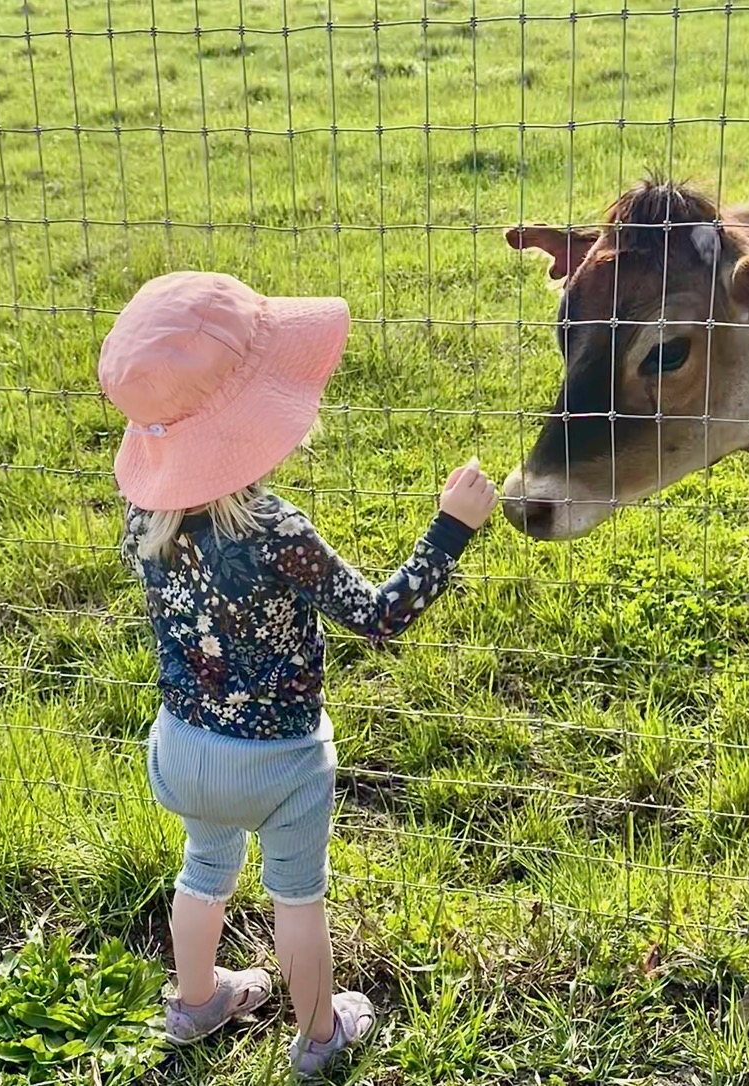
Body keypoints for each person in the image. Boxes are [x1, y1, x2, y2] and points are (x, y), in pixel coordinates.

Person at [99, 271, 499, 1076]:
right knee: (296, 897)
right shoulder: (272, 529)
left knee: (202, 870)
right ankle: (319, 1036)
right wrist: (449, 532)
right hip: (279, 760)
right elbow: (377, 616)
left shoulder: (145, 515)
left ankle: (196, 1000)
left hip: (183, 746)